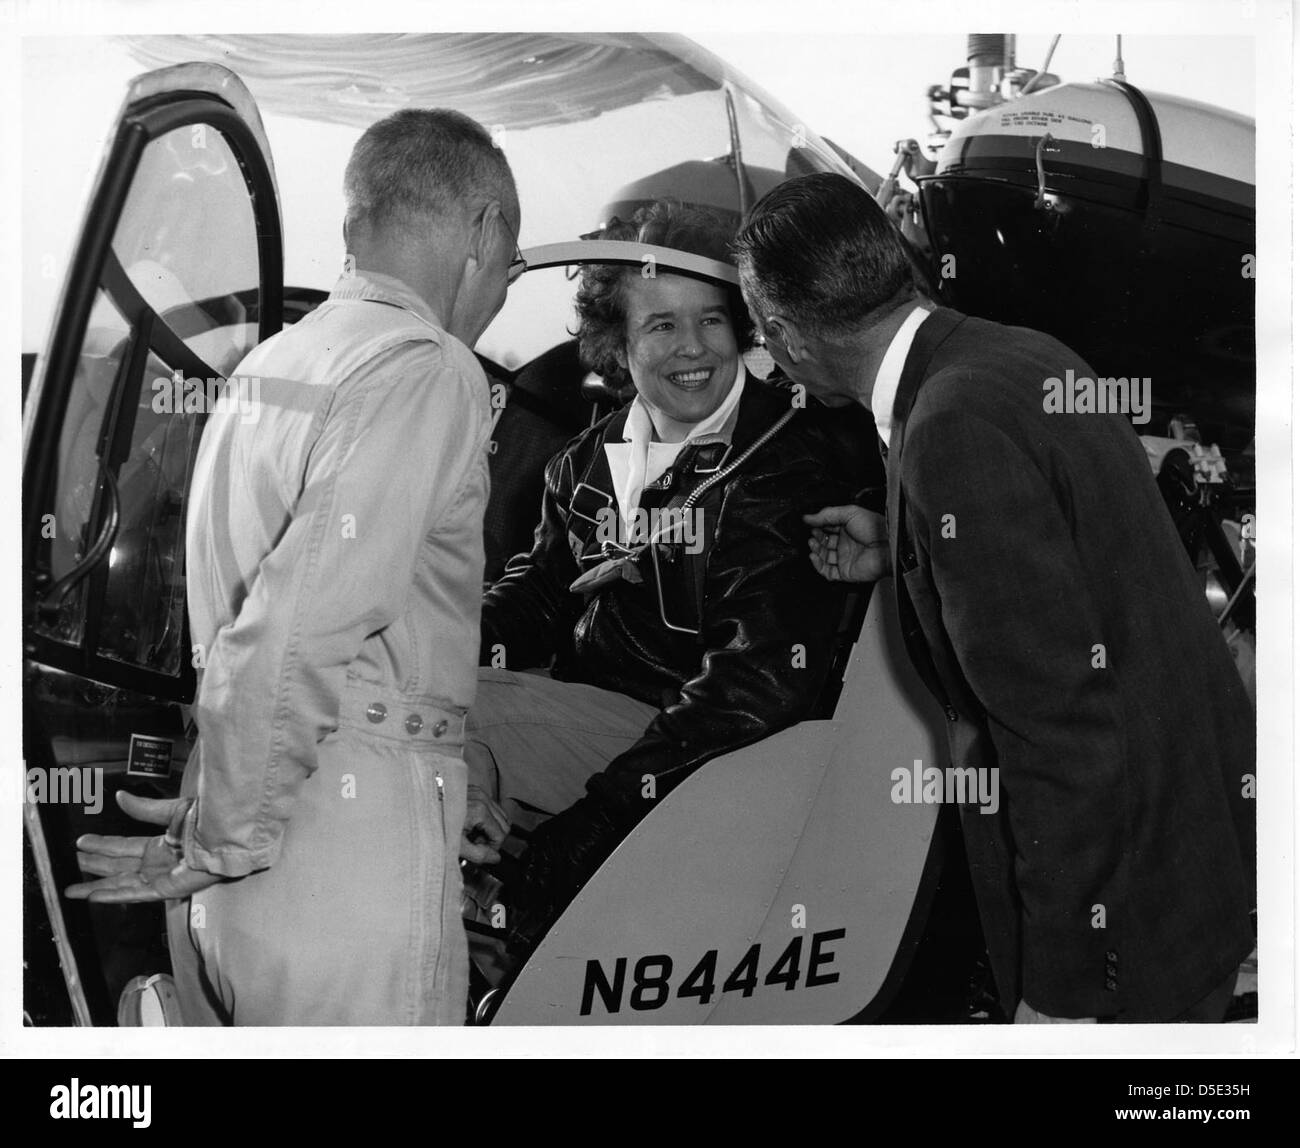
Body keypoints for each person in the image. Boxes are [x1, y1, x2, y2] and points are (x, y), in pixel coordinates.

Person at [732, 172, 1256, 1023]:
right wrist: (907, 549)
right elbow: (1092, 570)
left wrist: (1060, 992)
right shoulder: (1017, 354)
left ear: (786, 335)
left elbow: (1058, 733)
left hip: (1124, 926)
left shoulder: (950, 427)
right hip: (1188, 861)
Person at [67, 109, 518, 1025]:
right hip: (343, 852)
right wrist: (229, 834)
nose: (504, 284)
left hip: (243, 849)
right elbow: (299, 618)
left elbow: (239, 628)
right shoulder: (426, 368)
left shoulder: (273, 363)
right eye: (510, 255)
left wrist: (219, 823)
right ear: (481, 230)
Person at [467, 200, 876, 936]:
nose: (694, 349)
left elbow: (752, 689)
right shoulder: (585, 460)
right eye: (661, 325)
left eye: (711, 320)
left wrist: (600, 819)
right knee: (424, 684)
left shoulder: (785, 464)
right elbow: (535, 600)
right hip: (613, 727)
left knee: (460, 704)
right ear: (615, 344)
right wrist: (415, 635)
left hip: (717, 755)